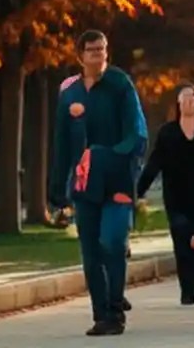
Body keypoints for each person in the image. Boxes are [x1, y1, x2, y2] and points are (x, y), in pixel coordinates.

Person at [50, 30, 148, 336]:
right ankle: (102, 315)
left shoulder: (120, 85)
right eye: (92, 50)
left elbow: (137, 133)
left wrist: (111, 156)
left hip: (117, 180)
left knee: (112, 242)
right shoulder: (70, 94)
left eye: (102, 49)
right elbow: (62, 143)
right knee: (91, 252)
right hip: (84, 185)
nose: (98, 54)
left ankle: (115, 309)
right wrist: (57, 190)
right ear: (80, 56)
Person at [136, 84, 194, 306]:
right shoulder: (168, 133)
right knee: (182, 241)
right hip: (176, 198)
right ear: (177, 104)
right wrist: (138, 191)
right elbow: (154, 163)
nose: (188, 103)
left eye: (192, 99)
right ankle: (187, 289)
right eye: (183, 99)